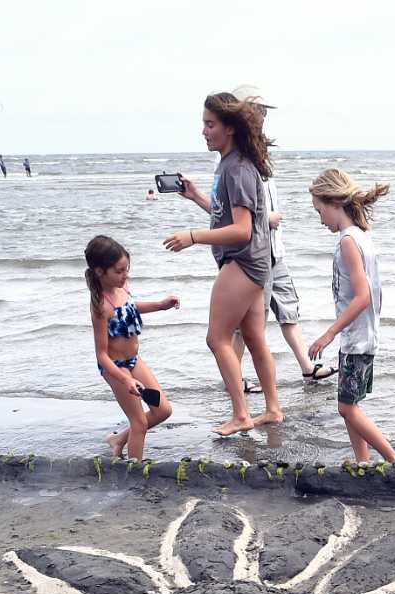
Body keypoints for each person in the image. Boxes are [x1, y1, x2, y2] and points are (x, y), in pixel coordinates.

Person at [163, 92, 281, 436]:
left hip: (243, 261)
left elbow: (242, 231)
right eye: (203, 124)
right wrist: (197, 197)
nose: (204, 131)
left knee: (217, 339)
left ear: (230, 128)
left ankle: (241, 414)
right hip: (254, 262)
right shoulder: (232, 164)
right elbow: (226, 218)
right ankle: (273, 409)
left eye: (210, 124)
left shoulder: (237, 168)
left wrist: (192, 236)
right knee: (254, 338)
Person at [223, 85, 331, 386]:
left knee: (288, 308)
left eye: (263, 112)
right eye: (258, 111)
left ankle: (307, 368)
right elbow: (227, 210)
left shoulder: (257, 152)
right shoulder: (234, 158)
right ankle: (235, 379)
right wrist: (264, 217)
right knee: (249, 322)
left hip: (274, 250)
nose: (262, 117)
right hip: (252, 254)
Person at [307, 169, 395, 466]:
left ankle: (394, 460)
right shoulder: (362, 237)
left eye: (319, 211)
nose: (320, 219)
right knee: (350, 404)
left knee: (346, 408)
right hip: (364, 336)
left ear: (333, 202)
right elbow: (377, 294)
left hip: (356, 339)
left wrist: (328, 334)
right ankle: (362, 461)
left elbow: (363, 296)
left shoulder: (348, 241)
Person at [84, 235, 178, 461]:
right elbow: (102, 355)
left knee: (163, 410)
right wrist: (125, 379)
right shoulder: (101, 306)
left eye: (126, 269)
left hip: (134, 361)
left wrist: (160, 305)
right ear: (100, 272)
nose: (125, 275)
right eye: (119, 271)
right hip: (116, 368)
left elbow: (130, 307)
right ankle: (135, 472)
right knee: (139, 423)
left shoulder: (122, 287)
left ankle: (118, 440)